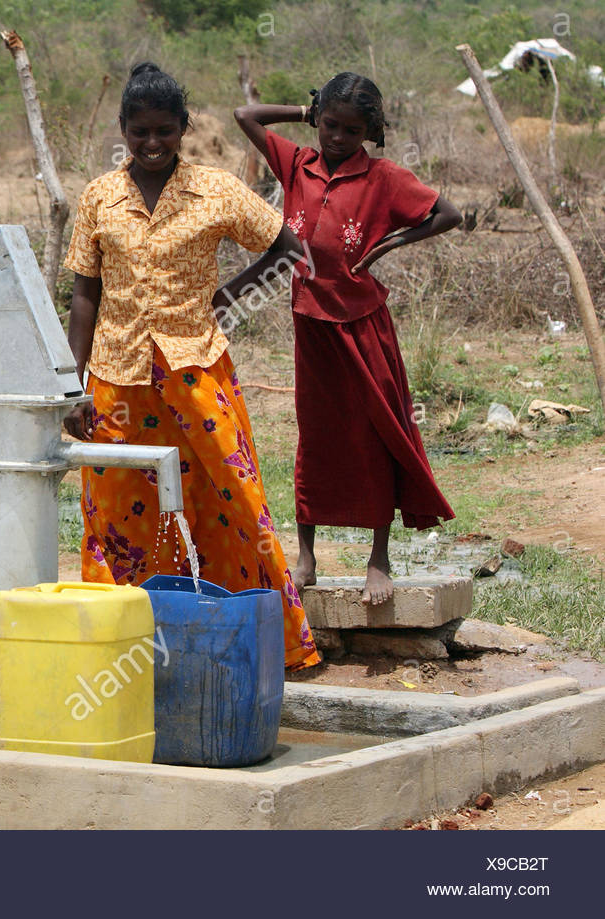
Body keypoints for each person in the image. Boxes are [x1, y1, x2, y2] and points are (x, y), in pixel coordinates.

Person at [64, 62, 320, 671]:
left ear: (184, 128)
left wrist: (232, 293)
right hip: (116, 379)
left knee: (231, 499)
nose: (152, 144)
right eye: (139, 132)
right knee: (116, 512)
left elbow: (291, 247)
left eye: (164, 131)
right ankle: (122, 647)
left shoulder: (216, 189)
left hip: (195, 369)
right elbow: (84, 294)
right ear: (123, 130)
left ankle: (255, 644)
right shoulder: (101, 196)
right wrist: (68, 385)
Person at [234, 72, 461, 606]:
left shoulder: (382, 177)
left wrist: (386, 247)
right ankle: (307, 556)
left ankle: (378, 558)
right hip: (310, 323)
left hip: (363, 323)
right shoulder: (296, 163)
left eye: (351, 130)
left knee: (376, 432)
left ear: (370, 131)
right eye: (330, 125)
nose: (337, 137)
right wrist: (305, 109)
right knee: (317, 435)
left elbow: (448, 214)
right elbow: (246, 116)